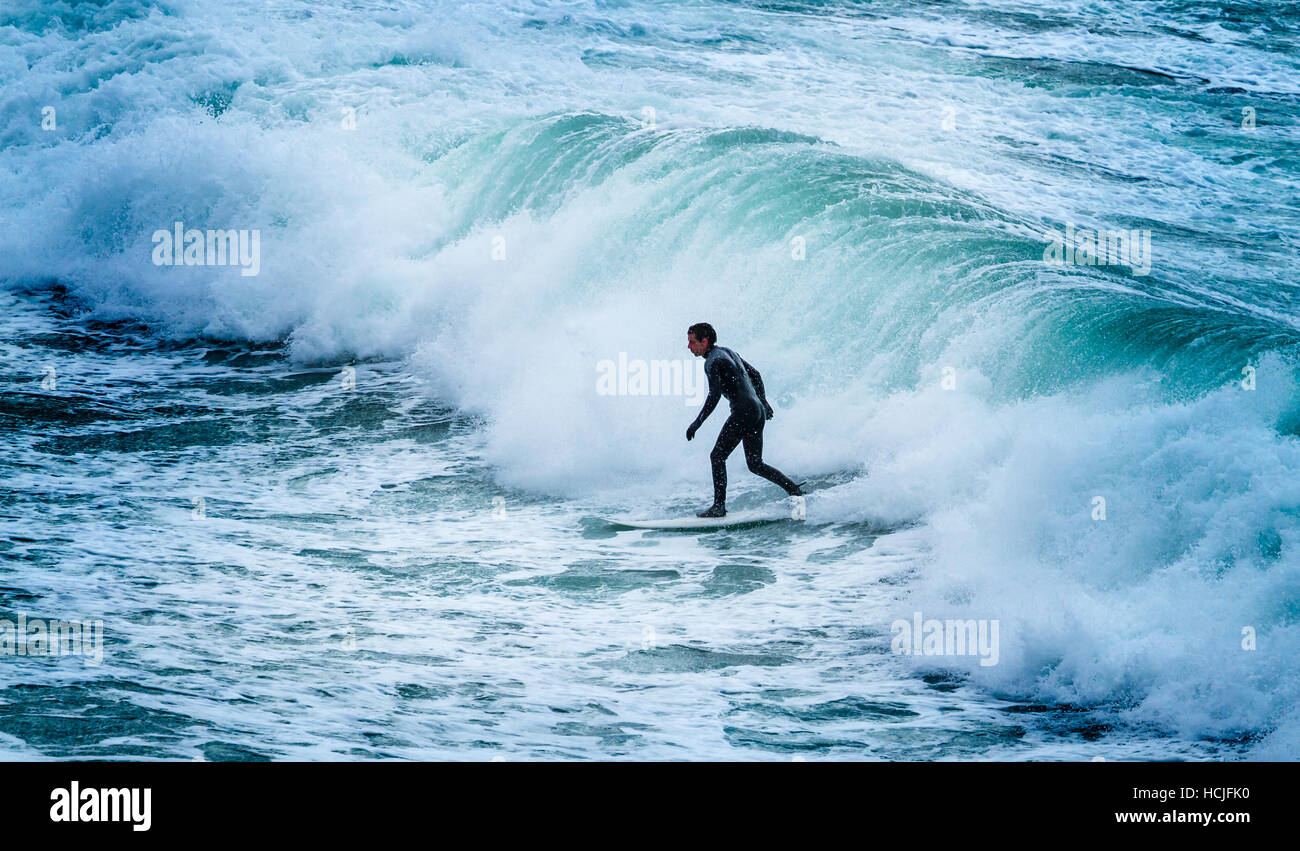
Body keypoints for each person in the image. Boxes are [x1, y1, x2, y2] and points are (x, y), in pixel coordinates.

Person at [685, 322, 803, 517]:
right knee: (755, 463)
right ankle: (793, 489)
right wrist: (763, 402)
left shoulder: (712, 362)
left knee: (717, 456)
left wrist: (697, 423)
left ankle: (718, 507)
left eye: (692, 342)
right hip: (756, 411)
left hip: (742, 413)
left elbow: (713, 396)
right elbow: (755, 375)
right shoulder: (728, 352)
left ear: (704, 342)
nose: (689, 347)